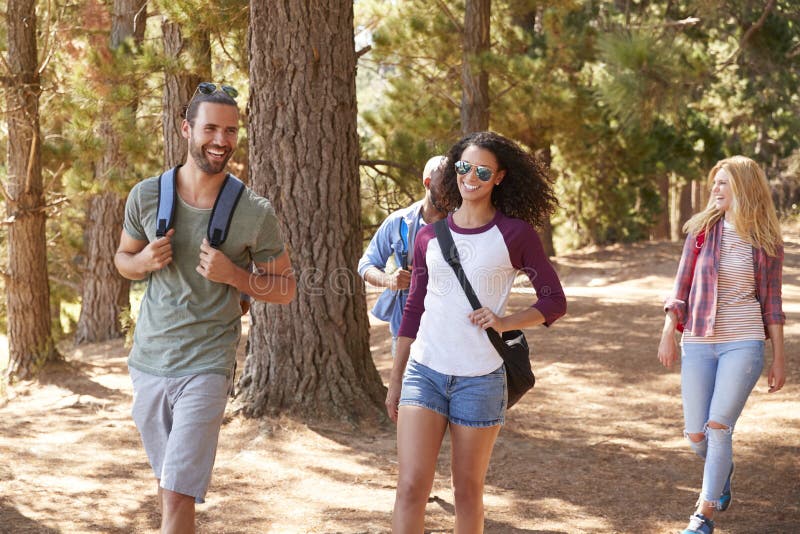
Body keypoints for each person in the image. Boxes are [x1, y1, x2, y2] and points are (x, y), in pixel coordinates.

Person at [114, 84, 296, 534]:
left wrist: (235, 276)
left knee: (176, 492)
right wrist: (143, 261)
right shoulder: (146, 196)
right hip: (149, 362)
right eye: (211, 128)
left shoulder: (255, 211)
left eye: (230, 130)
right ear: (185, 129)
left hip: (208, 364)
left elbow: (286, 288)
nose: (221, 140)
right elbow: (123, 261)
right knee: (169, 485)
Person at [386, 132, 567, 532]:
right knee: (411, 486)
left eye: (483, 170)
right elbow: (413, 311)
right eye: (464, 167)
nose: (471, 176)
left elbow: (554, 300)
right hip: (424, 372)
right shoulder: (428, 237)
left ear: (499, 177)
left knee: (467, 491)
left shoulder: (516, 235)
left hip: (481, 379)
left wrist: (505, 322)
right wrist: (396, 378)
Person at [658, 156, 786, 534]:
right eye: (715, 183)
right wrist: (669, 329)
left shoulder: (766, 241)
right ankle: (722, 469)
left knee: (718, 428)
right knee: (696, 435)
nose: (715, 189)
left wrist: (780, 359)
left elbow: (773, 304)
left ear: (744, 189)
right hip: (698, 340)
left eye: (723, 184)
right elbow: (680, 286)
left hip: (743, 342)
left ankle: (703, 515)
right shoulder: (701, 233)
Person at [358, 156, 447, 356]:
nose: (451, 193)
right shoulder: (398, 222)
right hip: (406, 331)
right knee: (403, 387)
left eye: (454, 186)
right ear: (427, 183)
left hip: (450, 330)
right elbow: (366, 264)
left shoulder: (463, 223)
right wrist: (390, 280)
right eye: (444, 186)